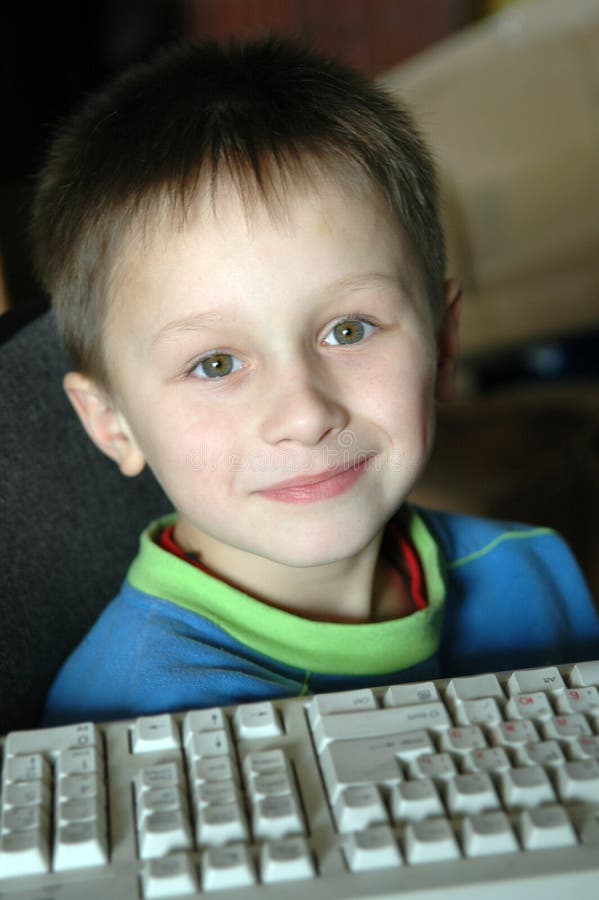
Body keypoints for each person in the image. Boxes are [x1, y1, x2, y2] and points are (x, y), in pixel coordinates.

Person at [33, 36, 599, 726]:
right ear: (111, 423)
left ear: (444, 344)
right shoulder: (130, 721)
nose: (303, 414)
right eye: (215, 363)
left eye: (348, 330)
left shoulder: (535, 577)